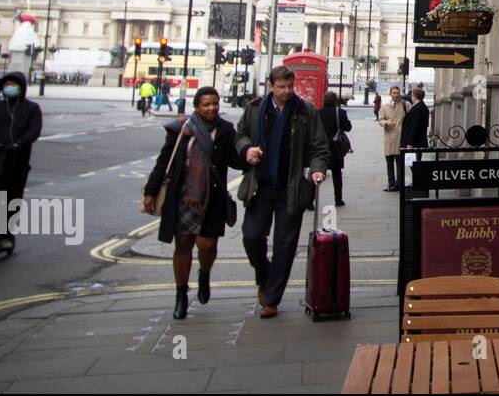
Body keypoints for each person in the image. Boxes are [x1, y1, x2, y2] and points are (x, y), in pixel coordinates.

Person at [234, 66, 330, 318]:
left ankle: (272, 299)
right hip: (260, 186)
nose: (287, 91)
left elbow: (320, 147)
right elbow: (240, 135)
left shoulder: (305, 111)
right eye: (282, 87)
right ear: (272, 86)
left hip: (291, 188)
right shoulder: (255, 109)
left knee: (284, 247)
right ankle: (264, 277)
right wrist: (247, 150)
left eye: (290, 86)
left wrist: (318, 169)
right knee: (251, 237)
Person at [141, 87, 237, 319]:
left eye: (215, 103)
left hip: (211, 198)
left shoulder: (225, 130)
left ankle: (204, 273)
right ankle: (181, 294)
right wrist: (150, 192)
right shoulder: (180, 129)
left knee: (207, 245)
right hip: (182, 196)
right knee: (182, 245)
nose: (212, 108)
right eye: (206, 104)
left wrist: (251, 152)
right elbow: (164, 161)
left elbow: (234, 160)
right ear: (196, 107)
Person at [0, 71, 43, 256]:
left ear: (22, 88)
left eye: (14, 84)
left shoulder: (31, 109)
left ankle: (5, 235)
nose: (11, 87)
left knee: (12, 198)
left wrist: (19, 144)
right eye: (7, 84)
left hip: (17, 160)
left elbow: (34, 131)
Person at [320, 91, 351, 207]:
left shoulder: (319, 112)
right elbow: (348, 128)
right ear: (336, 100)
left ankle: (309, 201)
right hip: (335, 147)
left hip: (321, 146)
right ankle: (338, 199)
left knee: (317, 172)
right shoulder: (340, 113)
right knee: (337, 174)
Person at [379, 85, 409, 191]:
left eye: (397, 92)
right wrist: (385, 122)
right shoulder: (384, 106)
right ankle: (391, 183)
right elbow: (380, 119)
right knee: (389, 162)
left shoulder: (406, 104)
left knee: (400, 163)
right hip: (389, 137)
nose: (396, 95)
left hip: (401, 137)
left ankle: (399, 183)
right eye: (394, 93)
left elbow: (411, 119)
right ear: (390, 94)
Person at [400, 86, 430, 182]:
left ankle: (419, 181)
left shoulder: (417, 108)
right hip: (420, 140)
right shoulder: (423, 107)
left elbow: (414, 127)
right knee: (416, 162)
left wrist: (410, 143)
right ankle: (418, 181)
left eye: (412, 95)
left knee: (414, 163)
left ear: (415, 96)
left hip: (416, 142)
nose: (411, 97)